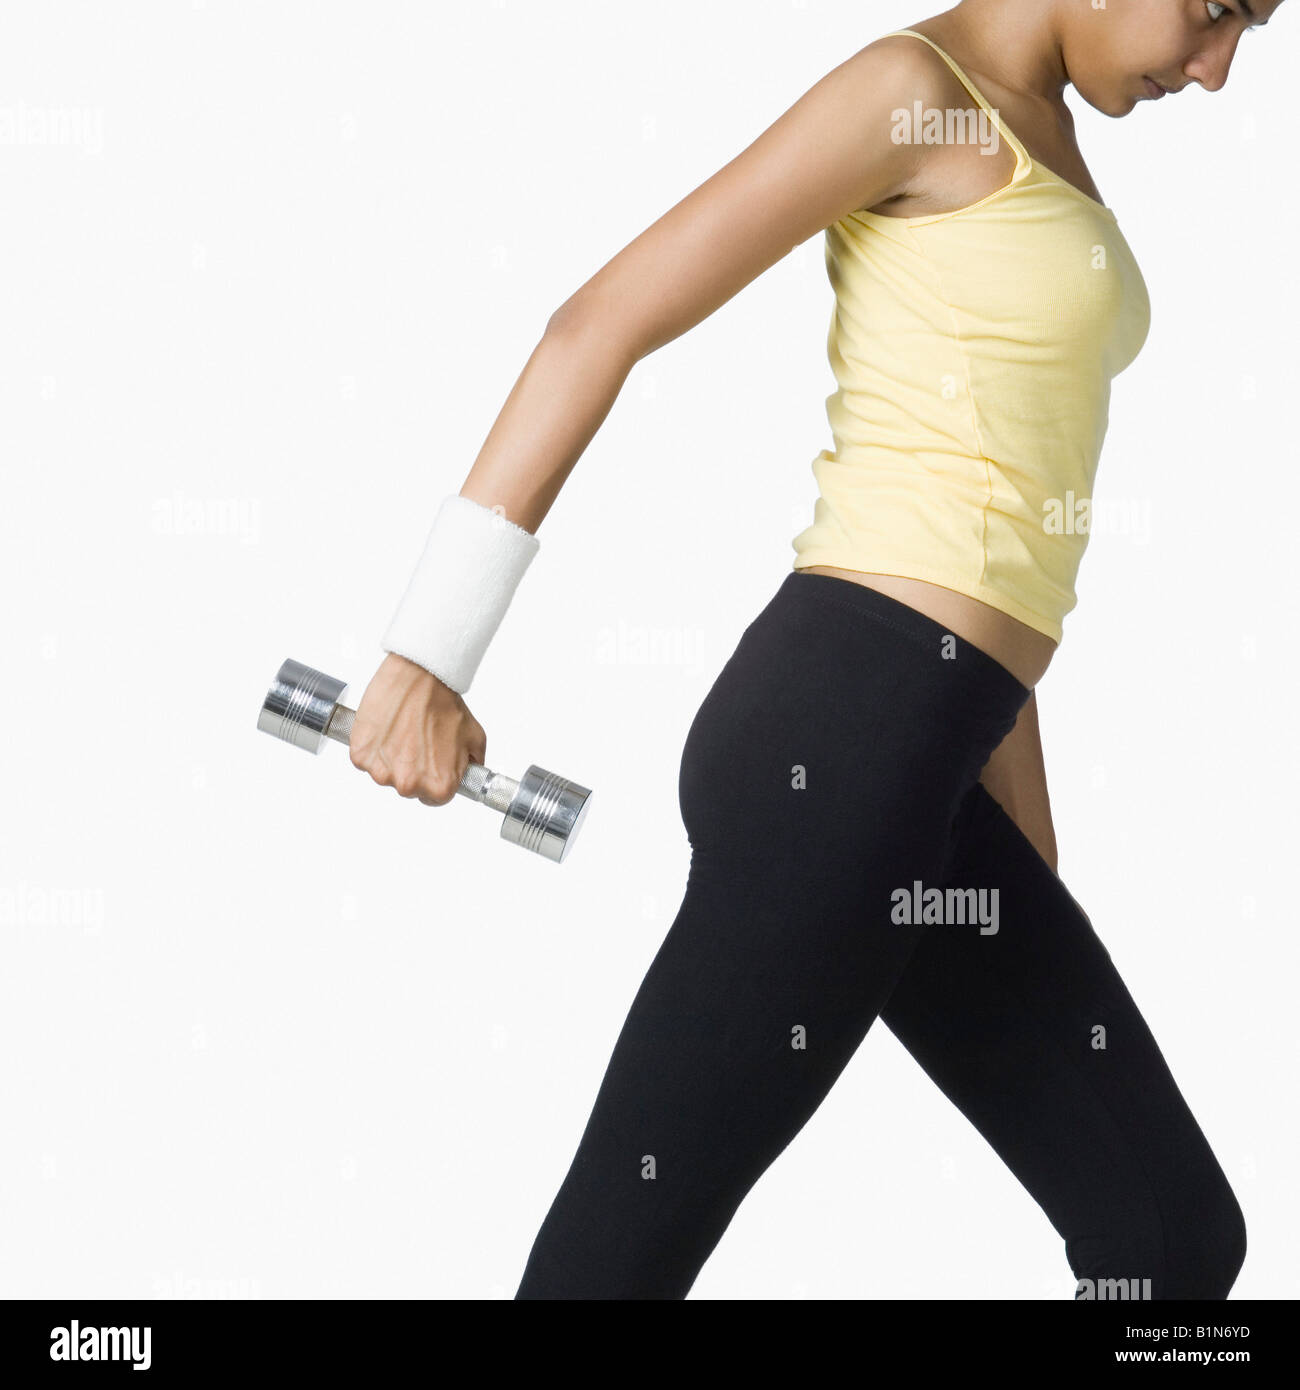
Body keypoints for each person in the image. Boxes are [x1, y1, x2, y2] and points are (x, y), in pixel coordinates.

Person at [348, 0, 1271, 1298]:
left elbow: (996, 532)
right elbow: (599, 319)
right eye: (1216, 11)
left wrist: (1031, 861)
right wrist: (428, 656)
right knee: (614, 1262)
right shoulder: (915, 89)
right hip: (837, 738)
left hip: (933, 762)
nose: (1220, 69)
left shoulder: (1050, 137)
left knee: (1171, 1238)